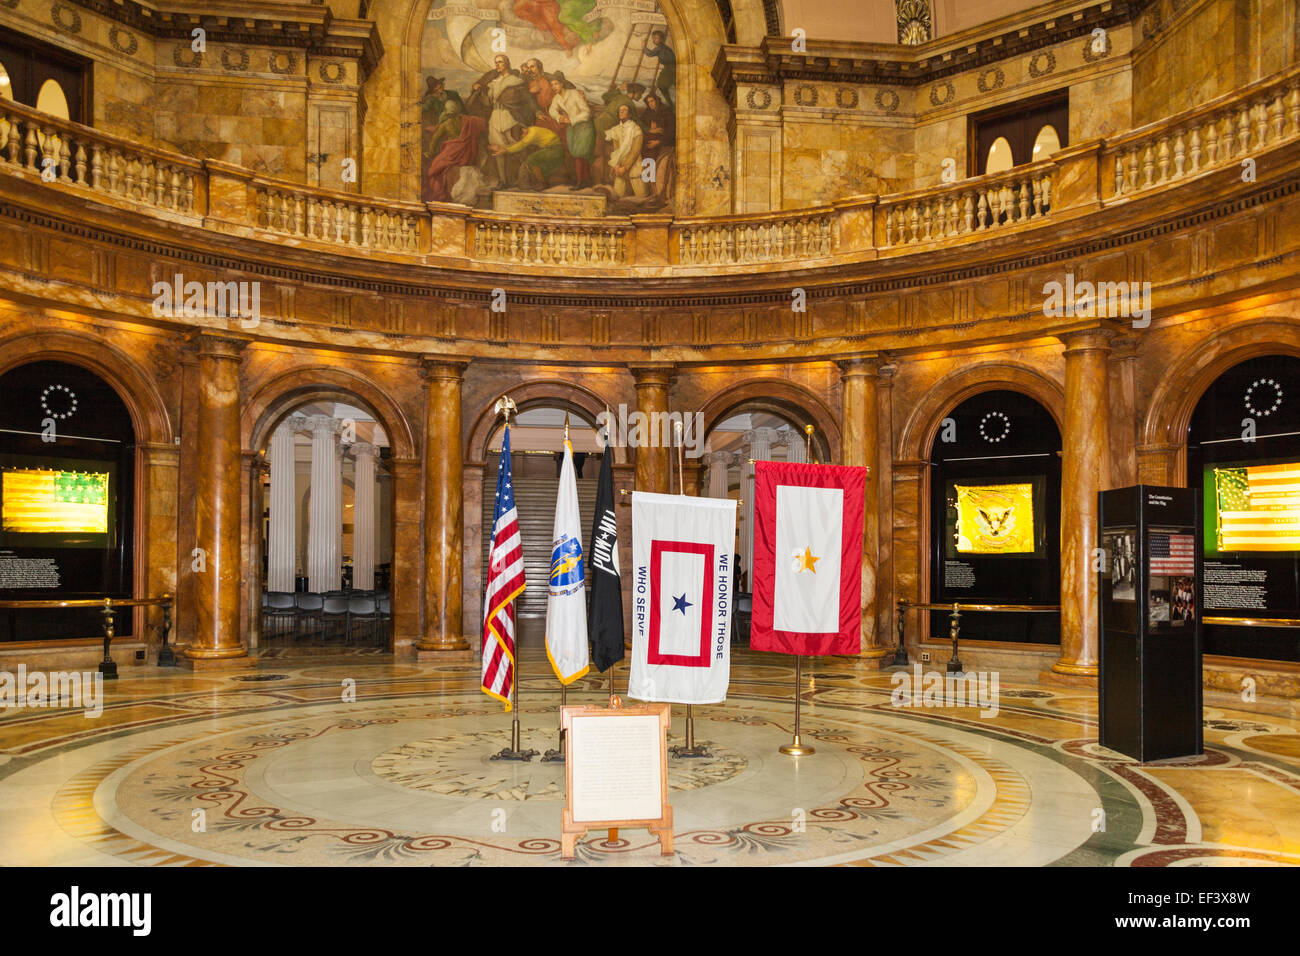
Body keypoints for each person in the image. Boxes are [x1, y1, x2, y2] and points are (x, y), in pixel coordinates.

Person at [467, 55, 540, 186]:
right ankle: (503, 180)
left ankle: (528, 177)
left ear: (506, 63)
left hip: (510, 117)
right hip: (495, 118)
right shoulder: (493, 83)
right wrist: (483, 90)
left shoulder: (515, 81)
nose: (497, 65)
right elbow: (488, 102)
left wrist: (536, 111)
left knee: (517, 147)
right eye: (496, 63)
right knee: (497, 149)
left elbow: (527, 99)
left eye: (500, 62)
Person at [423, 100, 486, 203]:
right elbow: (482, 124)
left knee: (435, 167)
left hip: (452, 151)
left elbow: (435, 139)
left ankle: (439, 192)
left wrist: (430, 152)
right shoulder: (469, 121)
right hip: (468, 152)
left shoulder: (446, 124)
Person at [490, 116, 565, 189]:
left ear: (523, 130)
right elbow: (520, 143)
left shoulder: (532, 135)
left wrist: (505, 150)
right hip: (553, 149)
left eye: (521, 136)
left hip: (554, 150)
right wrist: (503, 148)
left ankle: (540, 183)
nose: (522, 137)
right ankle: (537, 183)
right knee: (535, 162)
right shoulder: (531, 130)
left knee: (531, 159)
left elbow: (521, 144)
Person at [548, 72, 595, 187]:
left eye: (556, 84)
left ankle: (581, 181)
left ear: (562, 84)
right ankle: (585, 180)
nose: (553, 87)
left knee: (580, 153)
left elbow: (587, 113)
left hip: (584, 125)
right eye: (552, 85)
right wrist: (560, 117)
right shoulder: (557, 98)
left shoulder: (574, 94)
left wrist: (572, 119)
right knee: (575, 153)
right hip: (573, 127)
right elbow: (551, 111)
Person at [604, 102, 647, 197]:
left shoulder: (636, 129)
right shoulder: (616, 130)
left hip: (634, 166)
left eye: (624, 110)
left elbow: (635, 151)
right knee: (617, 196)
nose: (621, 112)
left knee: (641, 196)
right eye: (620, 110)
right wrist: (617, 166)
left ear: (630, 114)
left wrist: (625, 167)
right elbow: (617, 150)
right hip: (620, 167)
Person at [642, 29, 675, 105]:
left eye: (656, 38)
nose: (654, 40)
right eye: (653, 38)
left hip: (669, 68)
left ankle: (670, 104)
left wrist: (644, 47)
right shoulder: (665, 47)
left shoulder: (660, 48)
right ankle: (671, 104)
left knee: (661, 85)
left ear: (662, 39)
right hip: (672, 68)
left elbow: (650, 53)